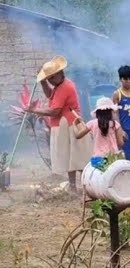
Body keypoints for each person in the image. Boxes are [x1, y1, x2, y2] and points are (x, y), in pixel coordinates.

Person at [25, 57, 88, 192]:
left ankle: (86, 186)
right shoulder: (59, 86)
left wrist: (34, 110)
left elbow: (54, 111)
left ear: (60, 73)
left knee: (78, 158)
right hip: (65, 125)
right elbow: (50, 95)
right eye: (48, 79)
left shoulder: (66, 87)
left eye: (51, 78)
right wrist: (42, 82)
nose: (50, 81)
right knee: (70, 158)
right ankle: (73, 187)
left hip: (71, 125)